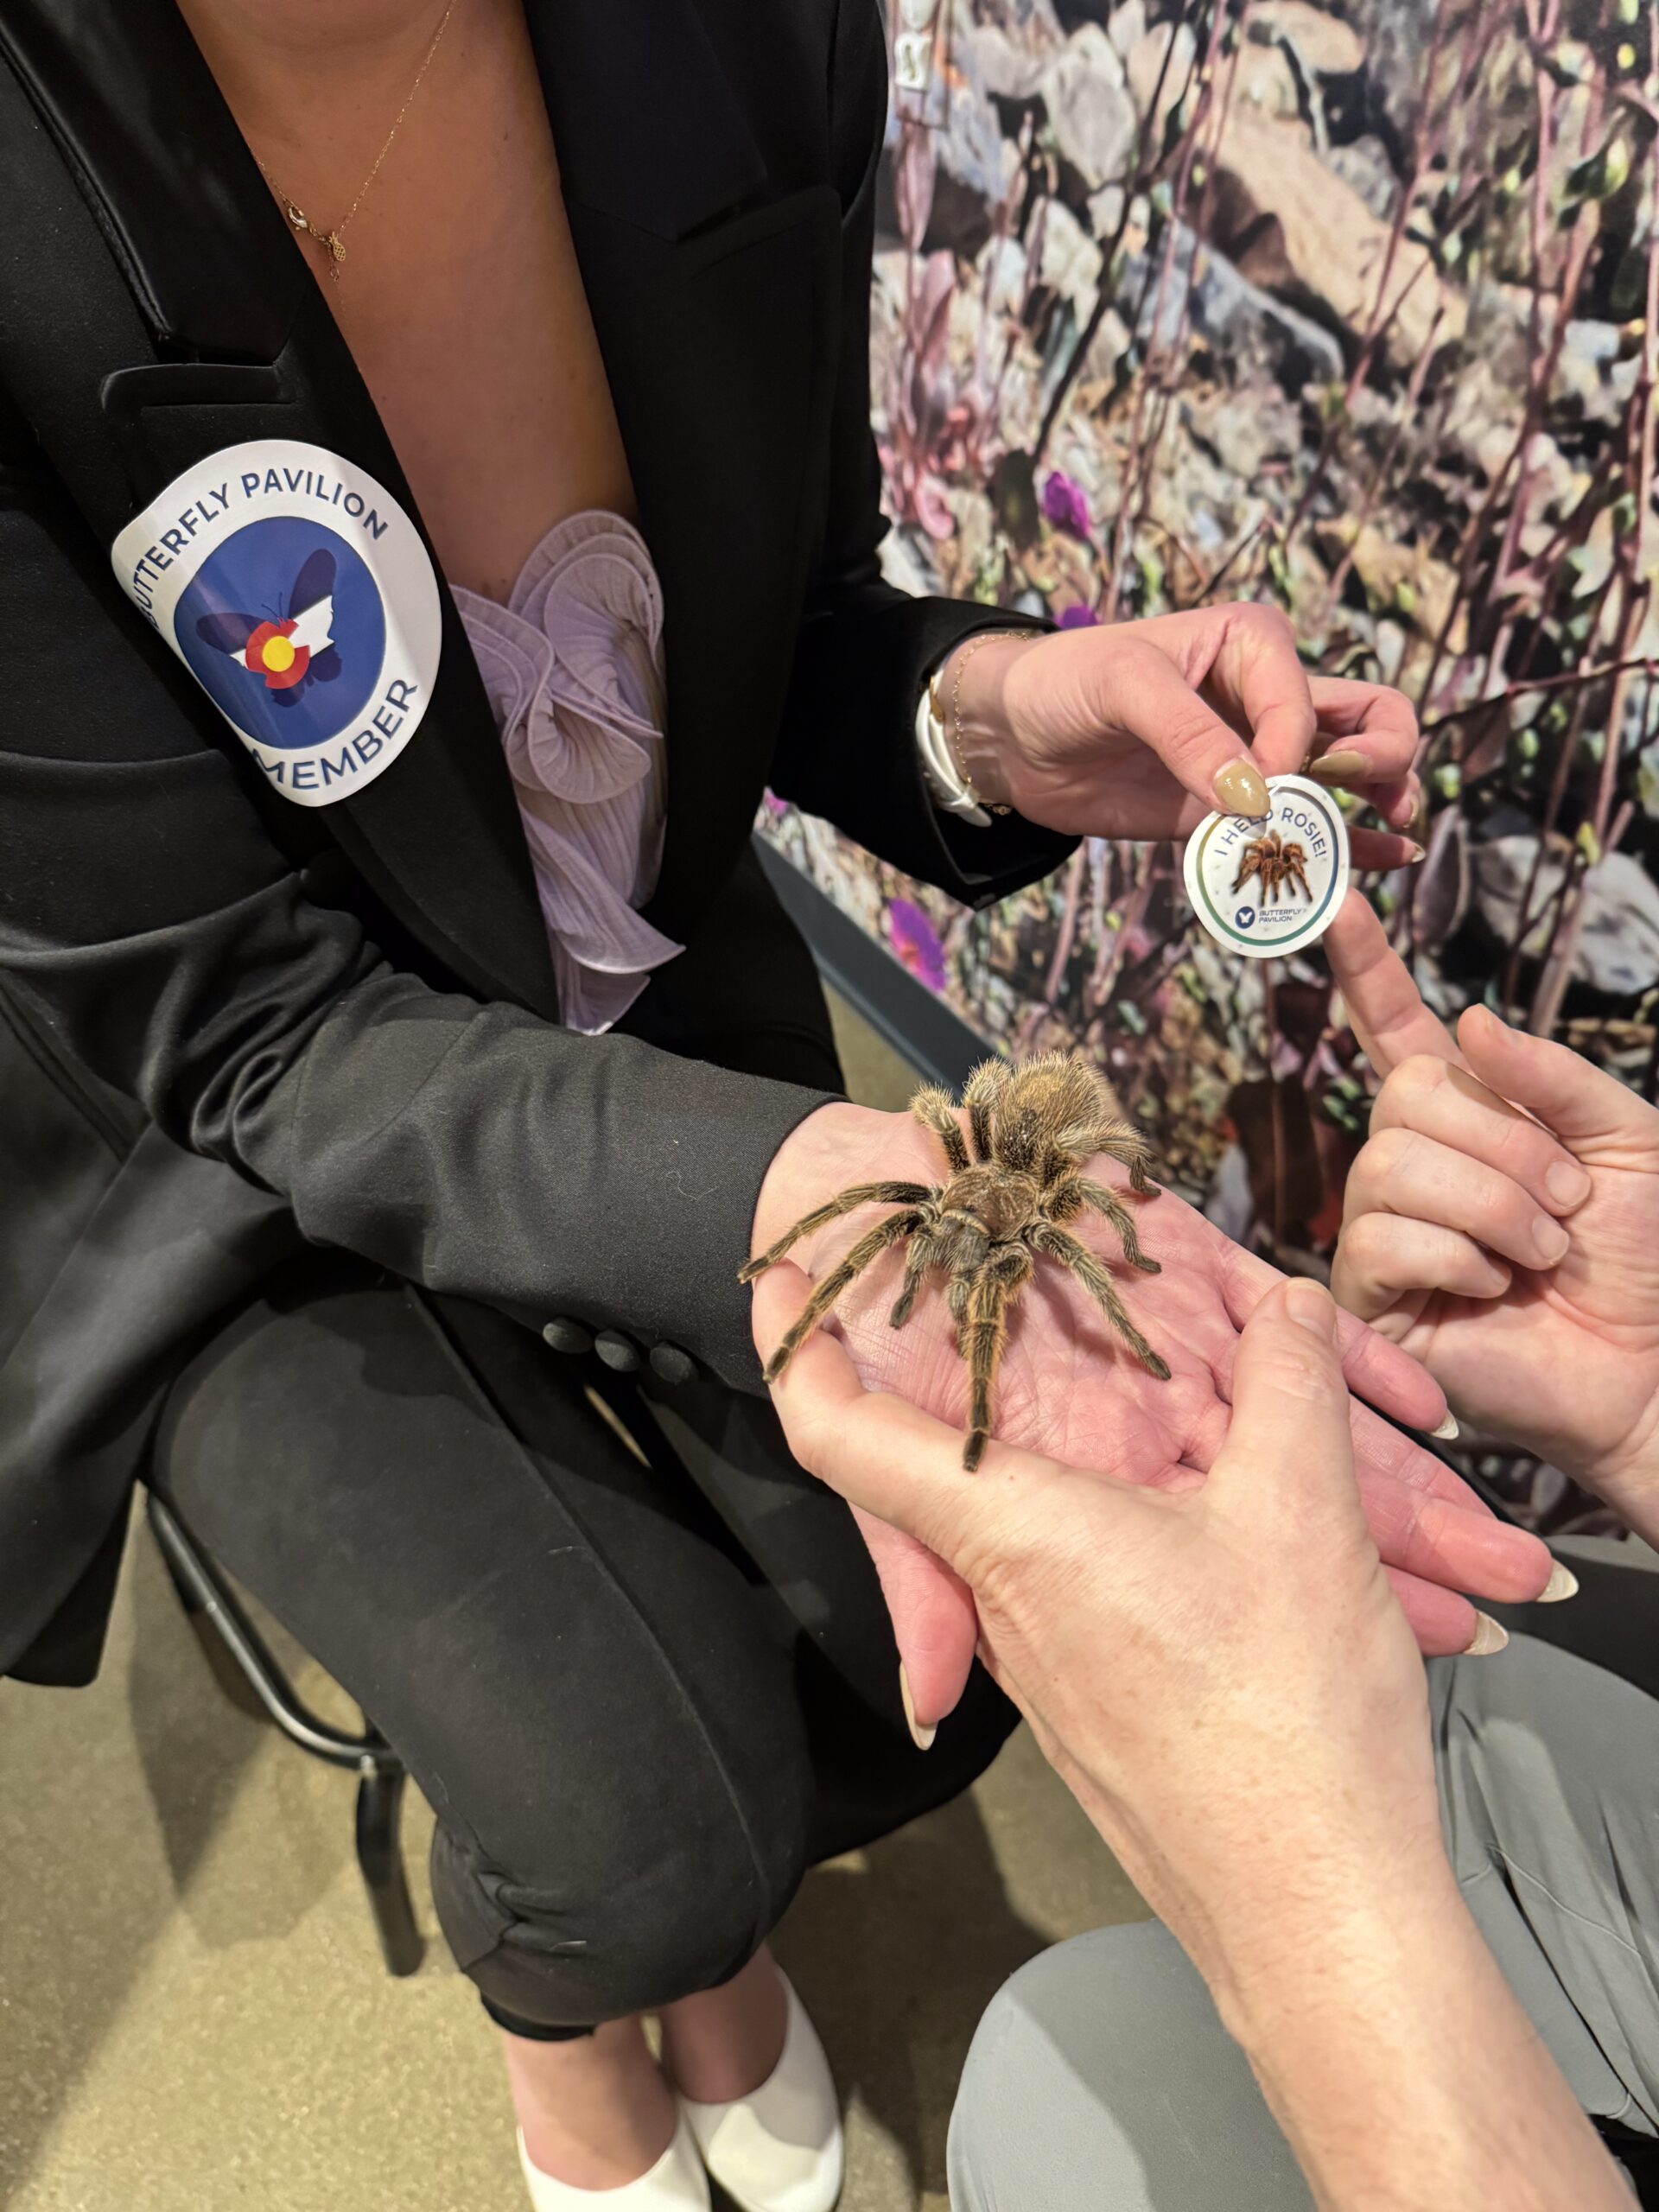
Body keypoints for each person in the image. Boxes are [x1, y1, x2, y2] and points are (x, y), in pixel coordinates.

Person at [0, 3, 1552, 2204]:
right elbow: (240, 1022)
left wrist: (1002, 714)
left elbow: (779, 616)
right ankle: (587, 2025)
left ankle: (704, 1932)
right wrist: (812, 1203)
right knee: (641, 1832)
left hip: (621, 989)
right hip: (213, 1134)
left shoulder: (742, 31)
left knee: (916, 1673)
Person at [756, 885, 1659, 2209]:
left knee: (1035, 2077)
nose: (948, 1251)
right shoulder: (939, 1189)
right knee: (1465, 1694)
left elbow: (1101, 1224)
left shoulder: (1052, 1213)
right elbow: (924, 1168)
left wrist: (1294, 1919)